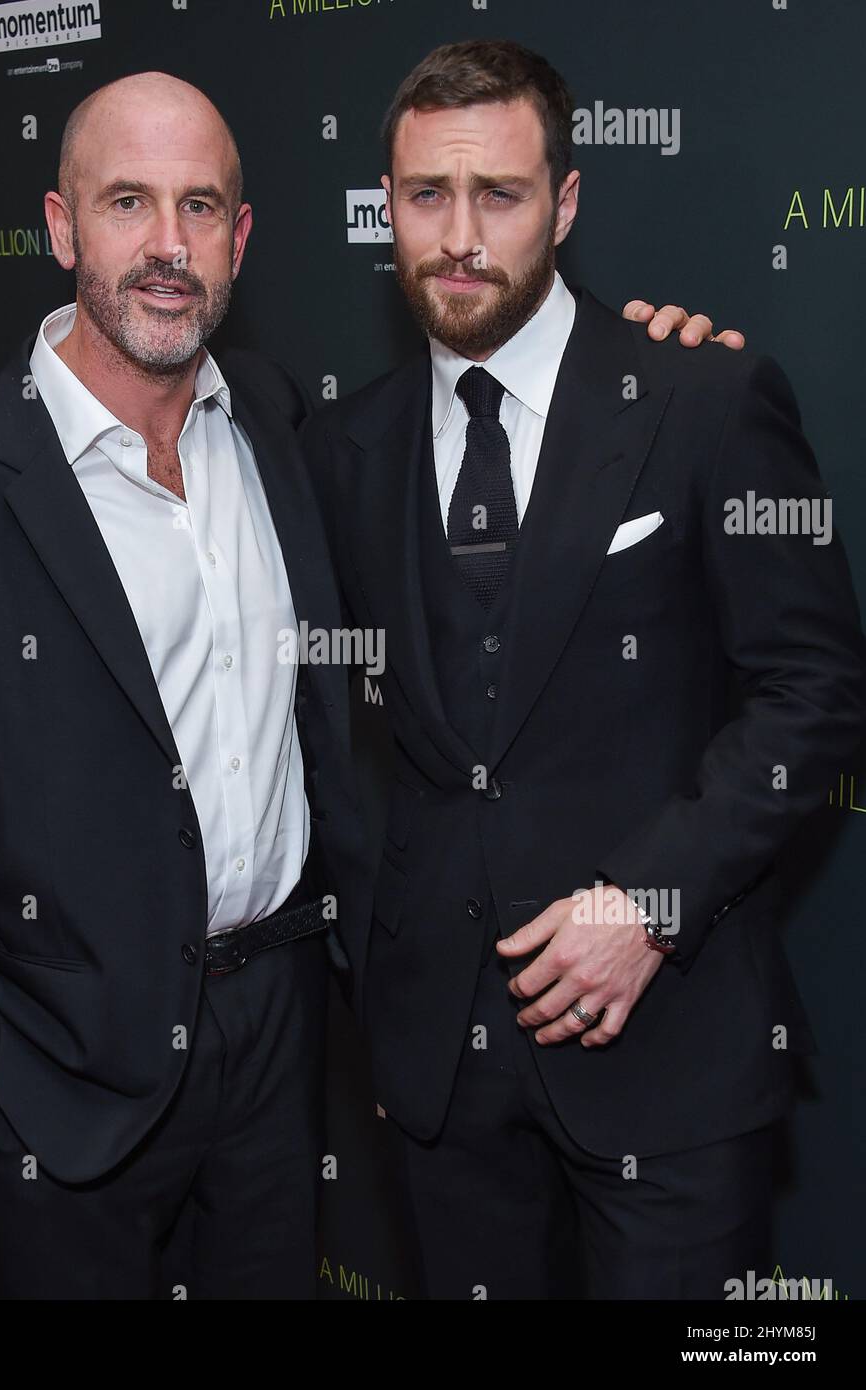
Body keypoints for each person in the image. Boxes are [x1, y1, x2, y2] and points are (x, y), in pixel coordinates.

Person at [0, 63, 731, 1301]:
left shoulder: (277, 426)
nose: (165, 246)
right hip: (60, 1084)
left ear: (242, 239)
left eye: (200, 208)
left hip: (279, 1046)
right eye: (126, 202)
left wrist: (657, 356)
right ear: (57, 226)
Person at [301, 39, 866, 1299]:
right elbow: (327, 727)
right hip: (443, 1063)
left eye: (496, 196)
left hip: (665, 1044)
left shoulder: (700, 397)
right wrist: (382, 971)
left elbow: (814, 687)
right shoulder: (348, 448)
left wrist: (649, 904)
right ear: (384, 206)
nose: (456, 236)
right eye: (422, 197)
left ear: (561, 203)